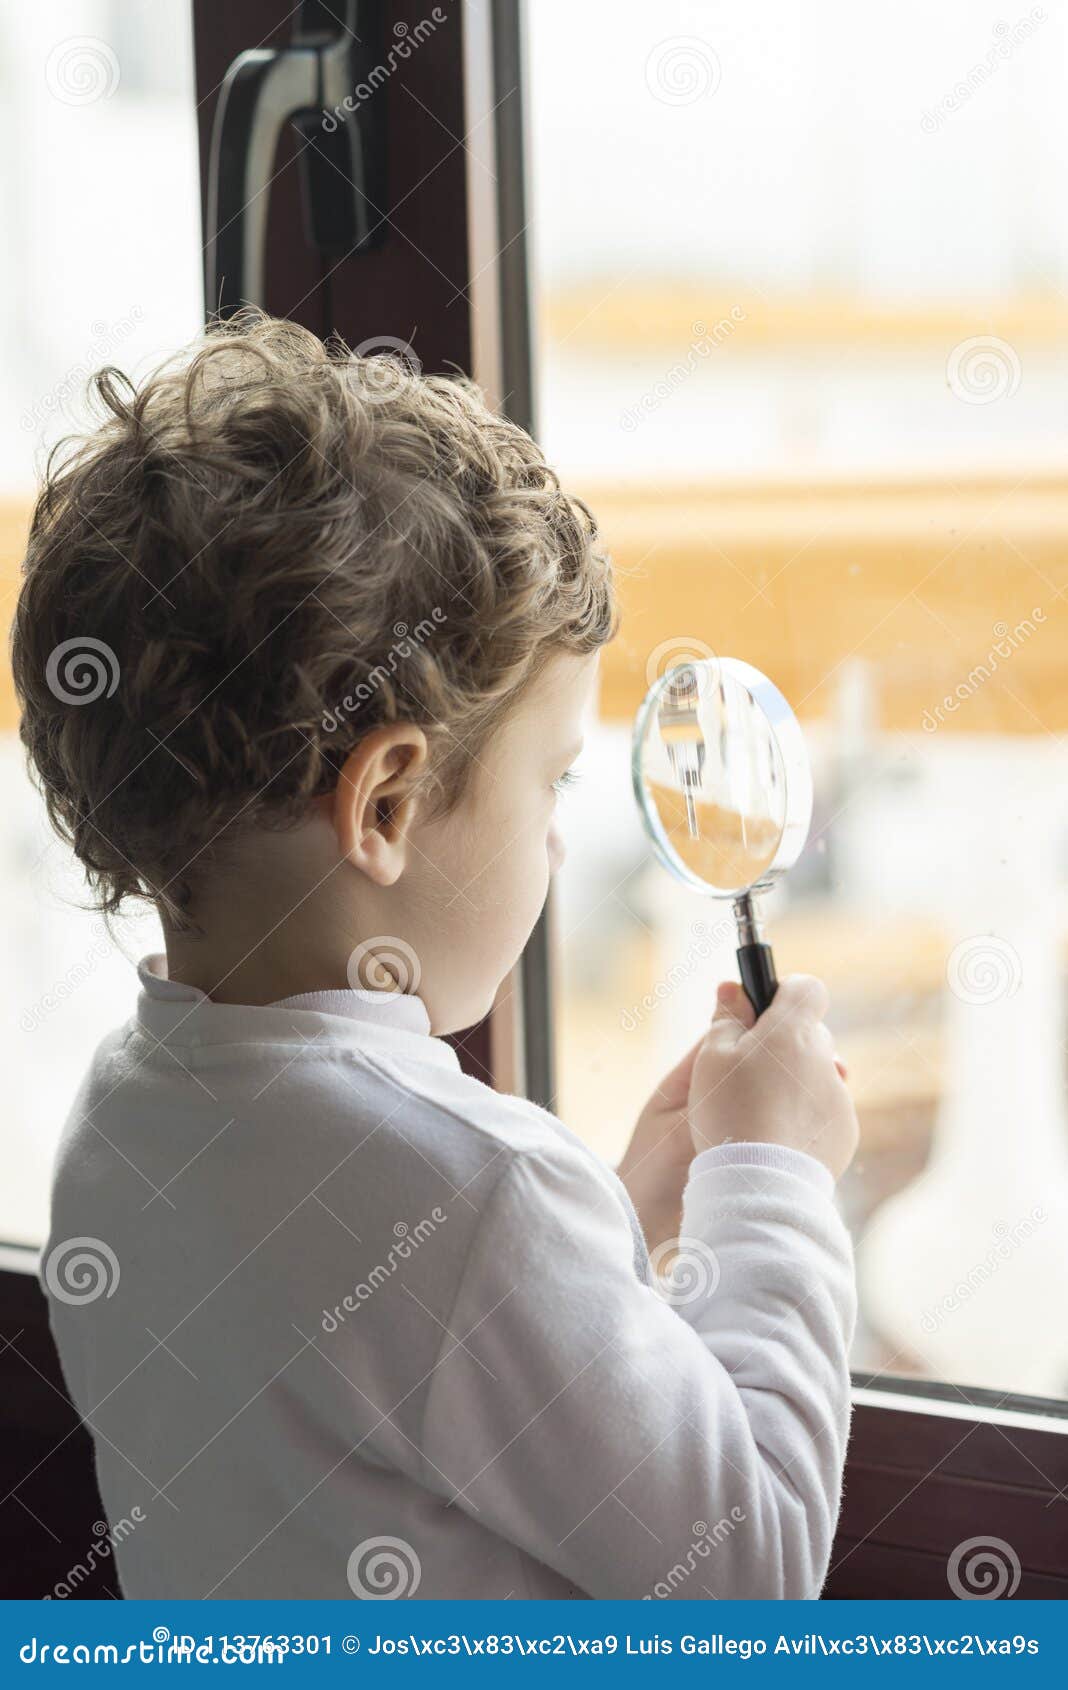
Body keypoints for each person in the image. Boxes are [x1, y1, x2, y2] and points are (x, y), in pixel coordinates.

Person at [13, 312, 857, 1600]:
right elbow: (755, 1565)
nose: (558, 842)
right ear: (389, 804)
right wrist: (775, 1176)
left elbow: (387, 1375)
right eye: (552, 782)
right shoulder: (481, 1199)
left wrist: (620, 1216)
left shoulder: (118, 1123)